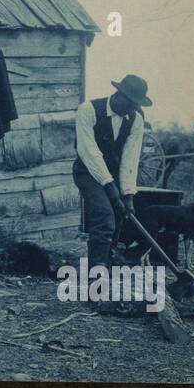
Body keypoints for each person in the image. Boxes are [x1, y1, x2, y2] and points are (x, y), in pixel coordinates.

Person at [73, 74, 151, 266]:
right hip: (88, 172)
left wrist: (127, 195)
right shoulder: (88, 109)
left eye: (136, 104)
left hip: (115, 175)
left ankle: (106, 268)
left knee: (117, 221)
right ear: (118, 94)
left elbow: (130, 159)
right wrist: (110, 187)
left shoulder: (136, 119)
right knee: (104, 218)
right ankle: (94, 279)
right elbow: (88, 151)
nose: (133, 108)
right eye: (131, 102)